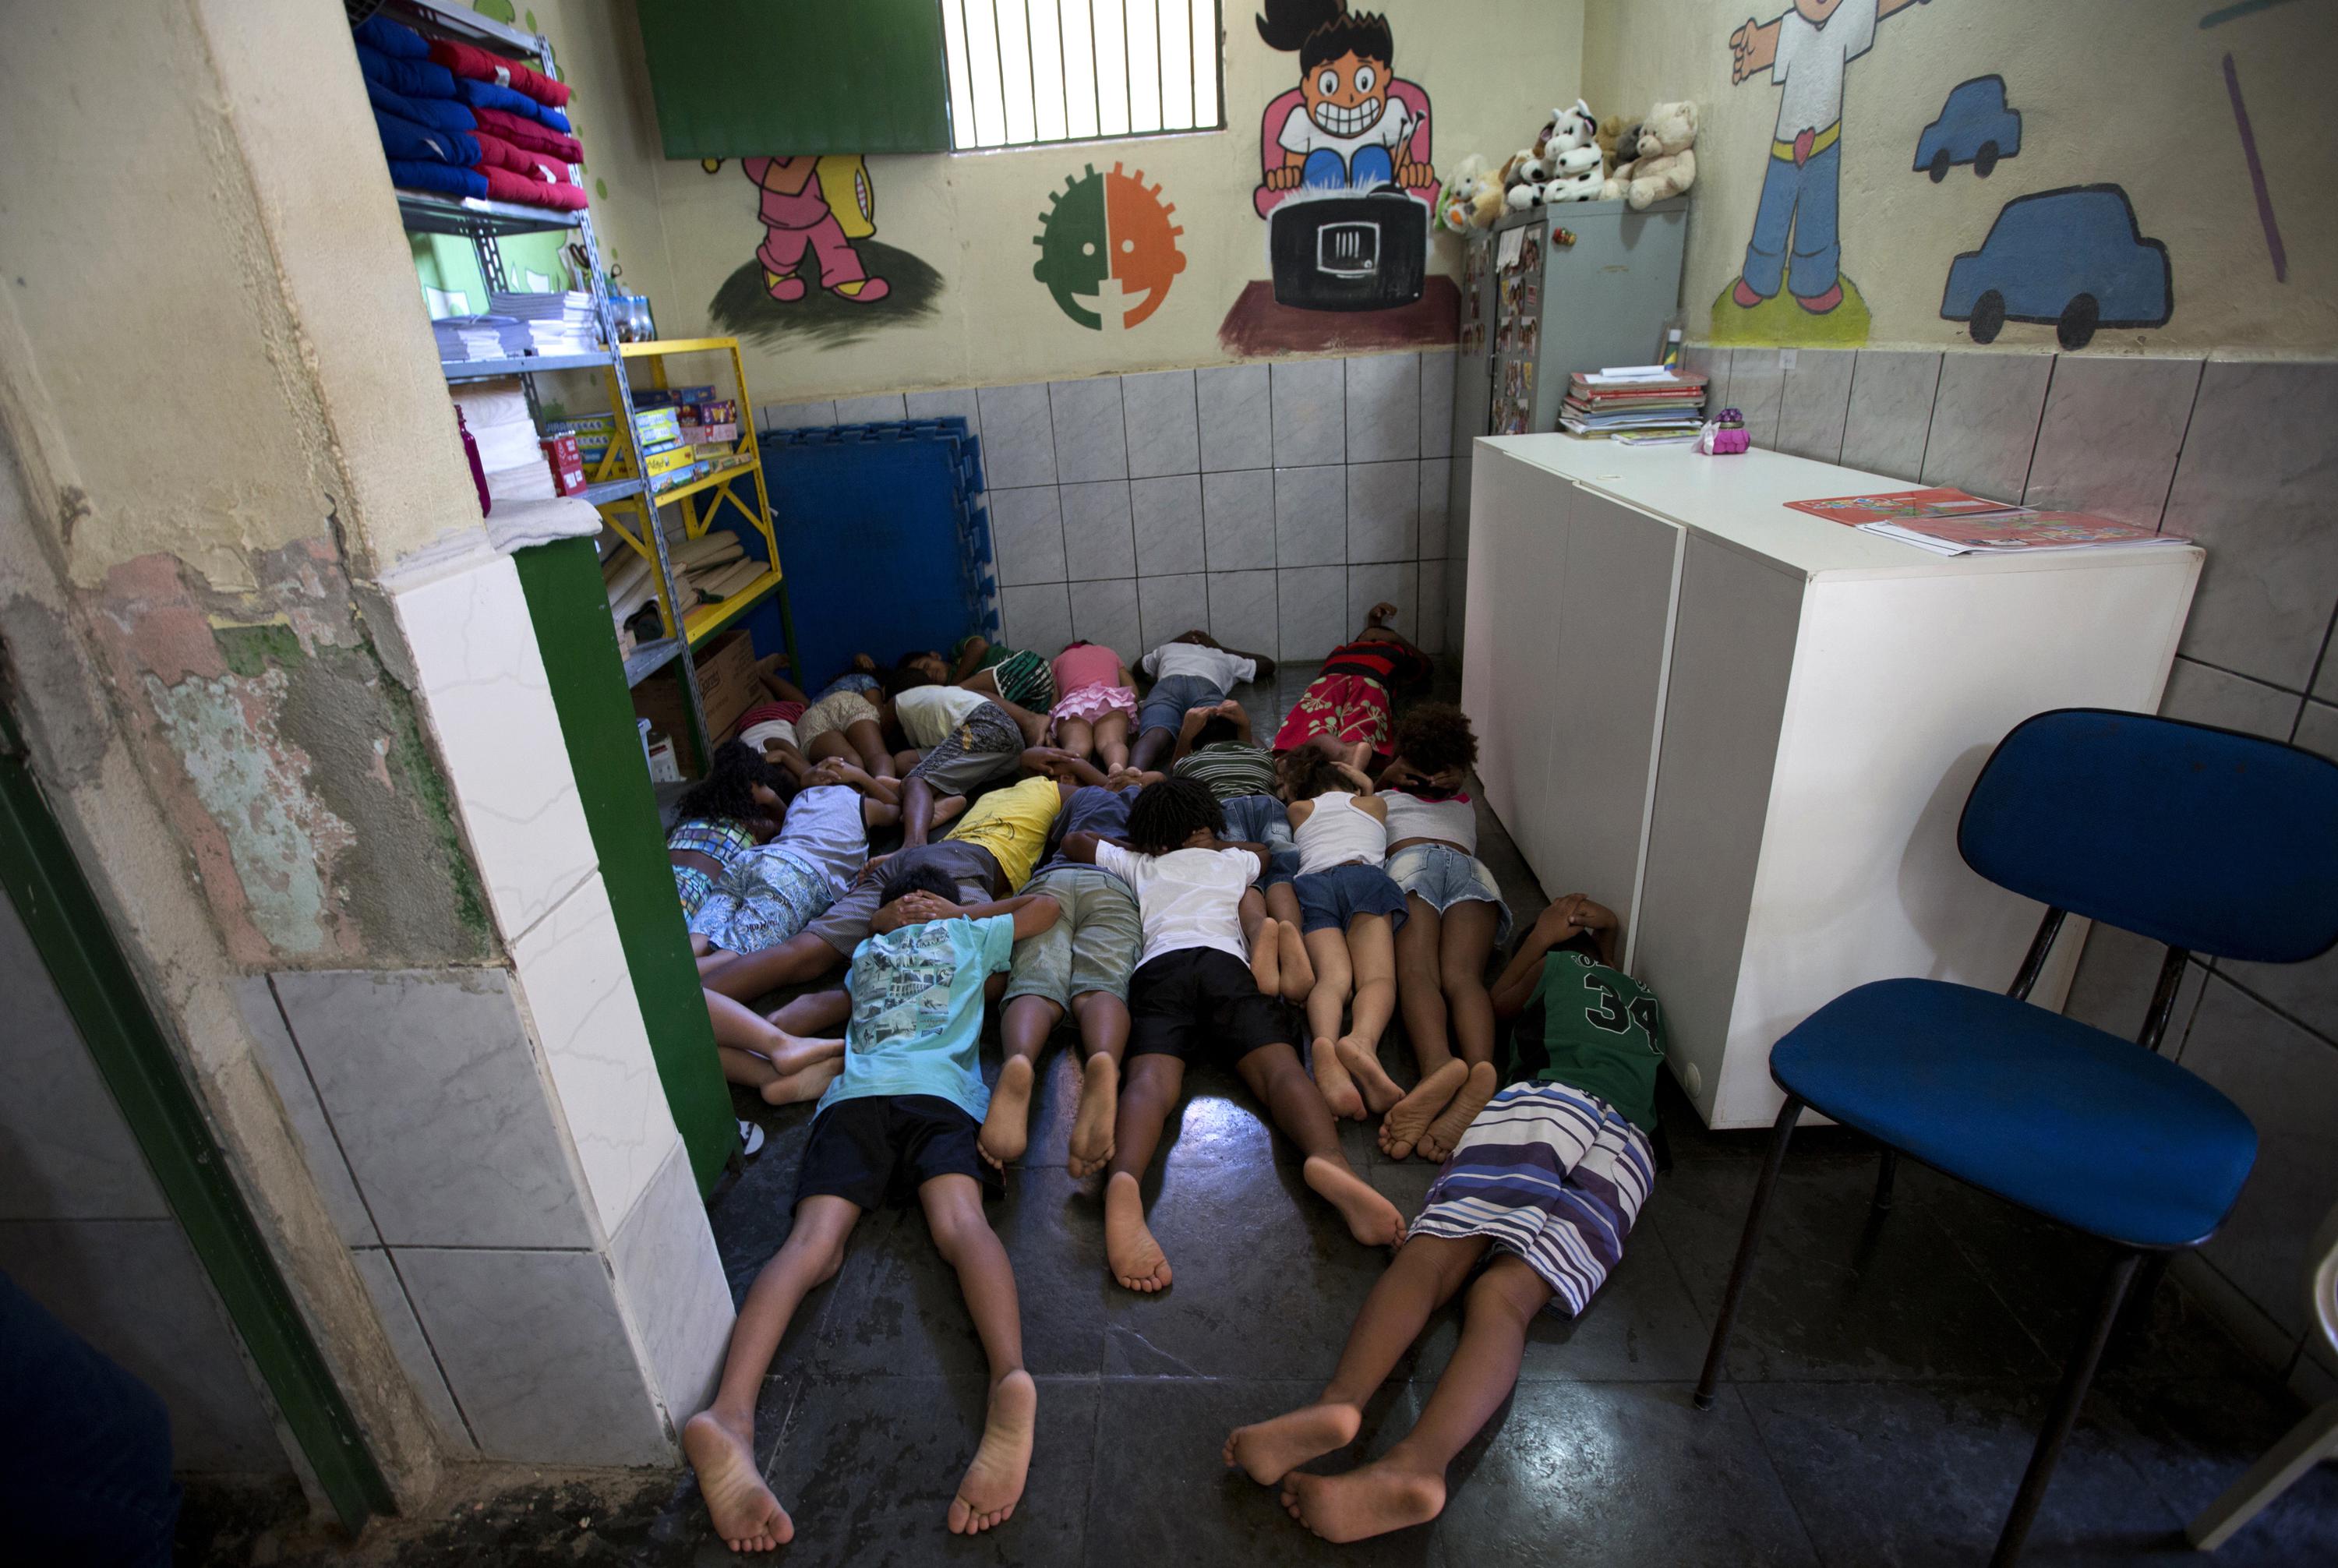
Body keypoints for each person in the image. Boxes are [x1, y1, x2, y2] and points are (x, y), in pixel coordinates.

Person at [1221, 892, 1659, 1545]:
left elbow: (1503, 1001)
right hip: (1632, 1153)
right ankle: (1421, 1465)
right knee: (1506, 1300)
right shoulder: (1642, 1002)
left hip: (1550, 1106)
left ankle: (1339, 1405)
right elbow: (1606, 959)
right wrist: (1607, 929)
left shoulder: (1556, 970)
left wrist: (1537, 941)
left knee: (1437, 1253)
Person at [682, 864, 1058, 1552]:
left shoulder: (896, 948)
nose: (916, 905)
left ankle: (732, 1414)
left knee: (818, 1247)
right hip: (928, 1098)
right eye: (904, 902)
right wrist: (954, 914)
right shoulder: (928, 943)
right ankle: (1008, 1377)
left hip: (859, 1102)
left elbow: (1035, 906)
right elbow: (1044, 908)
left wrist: (925, 915)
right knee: (947, 1226)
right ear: (883, 919)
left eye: (928, 898)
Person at [1058, 778, 1404, 1294]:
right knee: (1281, 1071)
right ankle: (1330, 1163)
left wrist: (1143, 846)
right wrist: (1217, 845)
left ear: (1151, 834)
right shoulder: (1230, 861)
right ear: (1207, 826)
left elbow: (1076, 842)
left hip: (1160, 969)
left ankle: (1125, 1187)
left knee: (1150, 1079)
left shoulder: (1142, 863)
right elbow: (1263, 853)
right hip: (1227, 967)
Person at [692, 761, 954, 1103]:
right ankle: (674, 999)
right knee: (736, 952)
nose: (832, 770)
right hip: (797, 873)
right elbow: (896, 809)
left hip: (754, 859)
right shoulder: (858, 801)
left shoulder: (802, 799)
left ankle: (675, 996)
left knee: (698, 940)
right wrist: (860, 778)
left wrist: (803, 780)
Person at [699, 759, 1070, 1001]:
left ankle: (693, 1005)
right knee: (986, 968)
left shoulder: (990, 797)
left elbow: (929, 793)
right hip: (960, 865)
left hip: (921, 860)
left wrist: (904, 851)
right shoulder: (1049, 791)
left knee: (805, 954)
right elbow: (1099, 801)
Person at [983, 761, 1149, 1175]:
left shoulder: (1086, 798)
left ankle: (1020, 1060)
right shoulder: (1150, 802)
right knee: (1102, 985)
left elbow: (1053, 839)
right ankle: (1105, 1059)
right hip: (1114, 885)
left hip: (1053, 882)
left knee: (1035, 982)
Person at [1374, 703, 1512, 1160]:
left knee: (1418, 975)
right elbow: (1458, 778)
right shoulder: (1464, 802)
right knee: (1464, 979)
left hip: (1412, 862)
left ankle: (1438, 1069)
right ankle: (1479, 1071)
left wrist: (1387, 773)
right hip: (1471, 871)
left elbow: (1357, 807)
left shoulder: (1386, 797)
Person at [1283, 748, 1410, 1124]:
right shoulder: (1374, 805)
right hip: (1363, 879)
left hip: (1315, 884)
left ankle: (1323, 1041)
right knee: (1377, 978)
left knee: (1334, 979)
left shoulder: (1298, 810)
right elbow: (1369, 793)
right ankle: (1361, 1041)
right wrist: (1366, 783)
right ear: (1351, 783)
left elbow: (1292, 798)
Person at [1168, 700, 1313, 1002]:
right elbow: (1247, 744)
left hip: (1224, 809)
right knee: (1280, 873)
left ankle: (1261, 931)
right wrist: (1245, 725)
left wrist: (1185, 736)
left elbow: (1175, 778)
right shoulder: (1261, 756)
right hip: (1268, 806)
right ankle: (1292, 935)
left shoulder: (1189, 762)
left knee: (1246, 874)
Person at [1256, 0, 1434, 196]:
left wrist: (1413, 174)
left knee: (1373, 156)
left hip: (1384, 211)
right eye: (1329, 85)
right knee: (1322, 160)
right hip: (1316, 214)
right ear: (1306, 87)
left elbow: (1401, 168)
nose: (1349, 98)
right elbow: (1294, 173)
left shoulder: (1393, 114)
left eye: (1364, 82)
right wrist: (1285, 177)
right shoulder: (1300, 120)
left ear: (1385, 77)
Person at [886, 666, 1041, 846]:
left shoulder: (896, 701)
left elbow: (879, 734)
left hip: (982, 727)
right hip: (1007, 743)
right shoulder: (943, 694)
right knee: (903, 761)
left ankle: (913, 844)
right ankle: (933, 800)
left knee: (916, 781)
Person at [1272, 602, 1432, 771]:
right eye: (1368, 635)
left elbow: (1426, 667)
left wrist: (1397, 639)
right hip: (1330, 681)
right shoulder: (1344, 649)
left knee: (1361, 717)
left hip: (1370, 681)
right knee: (1313, 718)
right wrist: (1374, 623)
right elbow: (1370, 635)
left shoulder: (1395, 650)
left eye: (1379, 635)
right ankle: (1296, 759)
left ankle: (1350, 755)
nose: (1373, 637)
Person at [1127, 630, 1277, 774]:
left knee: (1155, 733)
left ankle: (1131, 777)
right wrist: (1221, 648)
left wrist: (1175, 641)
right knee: (1233, 727)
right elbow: (1268, 665)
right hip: (1205, 687)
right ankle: (1273, 769)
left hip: (1168, 685)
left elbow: (1138, 668)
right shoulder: (1224, 656)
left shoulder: (1169, 648)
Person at [667, 742, 786, 920]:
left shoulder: (694, 816)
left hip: (665, 875)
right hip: (694, 887)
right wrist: (770, 796)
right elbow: (791, 822)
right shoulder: (753, 826)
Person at [1046, 640, 1139, 772]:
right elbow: (1134, 692)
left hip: (1074, 705)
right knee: (1111, 742)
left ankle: (1066, 773)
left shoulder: (1058, 661)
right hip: (1109, 700)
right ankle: (1117, 768)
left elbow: (1054, 704)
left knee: (1076, 746)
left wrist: (1049, 730)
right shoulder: (1109, 652)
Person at [948, 634, 1059, 717]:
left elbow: (979, 645)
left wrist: (954, 687)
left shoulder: (956, 656)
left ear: (935, 656)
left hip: (1029, 671)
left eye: (929, 666)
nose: (929, 674)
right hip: (1032, 706)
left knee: (957, 696)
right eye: (928, 679)